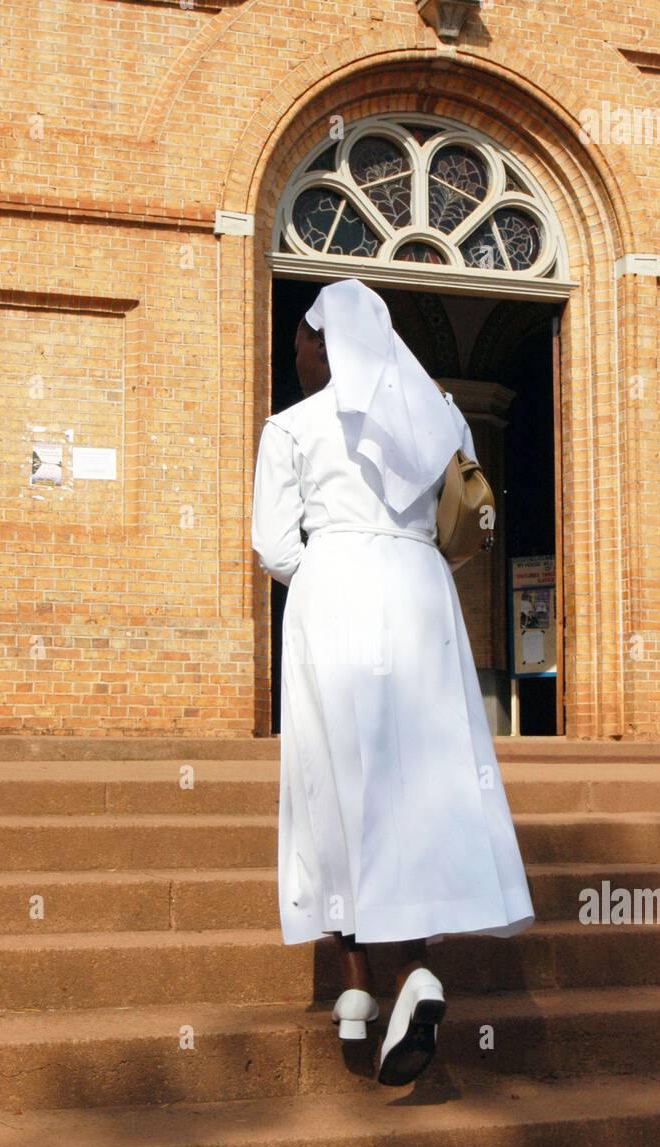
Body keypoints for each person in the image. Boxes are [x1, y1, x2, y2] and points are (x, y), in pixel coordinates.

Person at [251, 278, 535, 1086]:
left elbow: (274, 545)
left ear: (322, 343)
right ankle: (378, 982)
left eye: (303, 341)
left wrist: (331, 577)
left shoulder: (292, 426)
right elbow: (466, 515)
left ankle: (380, 982)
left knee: (334, 782)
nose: (297, 354)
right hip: (421, 597)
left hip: (336, 593)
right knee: (412, 785)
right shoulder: (438, 414)